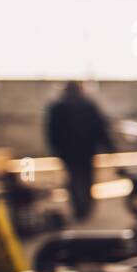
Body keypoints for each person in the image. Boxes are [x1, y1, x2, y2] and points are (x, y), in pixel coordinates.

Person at [45, 81, 113, 221]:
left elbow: (52, 132)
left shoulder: (58, 107)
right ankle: (85, 207)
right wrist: (109, 146)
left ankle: (79, 207)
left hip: (68, 152)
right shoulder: (88, 105)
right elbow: (100, 128)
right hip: (86, 150)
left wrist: (56, 150)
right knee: (87, 178)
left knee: (73, 178)